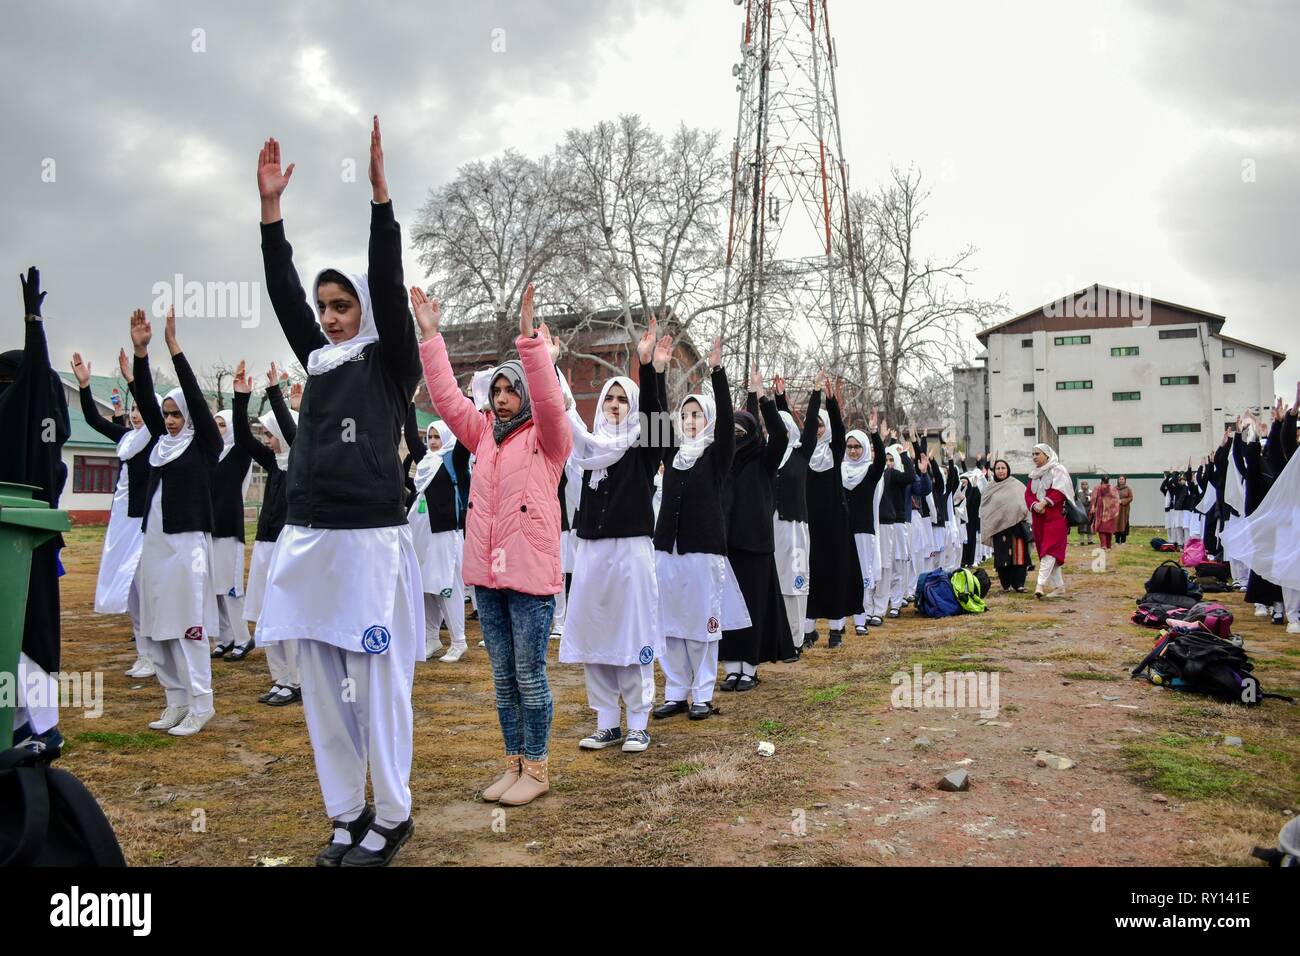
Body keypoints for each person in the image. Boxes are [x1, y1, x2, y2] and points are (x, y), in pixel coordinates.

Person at [254, 121, 424, 866]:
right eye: (324, 307)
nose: (327, 316)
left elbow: (387, 280)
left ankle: (392, 813)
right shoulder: (318, 359)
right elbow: (283, 292)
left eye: (341, 305)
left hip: (370, 544)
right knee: (322, 686)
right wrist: (270, 216)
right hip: (309, 535)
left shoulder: (391, 363)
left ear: (363, 311)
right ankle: (345, 812)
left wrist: (381, 200)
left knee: (375, 683)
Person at [416, 282, 572, 805]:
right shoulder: (481, 432)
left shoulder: (549, 438)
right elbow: (444, 398)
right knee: (503, 680)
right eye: (498, 390)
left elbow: (550, 400)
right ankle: (514, 764)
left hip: (529, 576)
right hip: (486, 575)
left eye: (511, 390)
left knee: (530, 676)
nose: (502, 398)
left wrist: (530, 344)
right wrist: (431, 337)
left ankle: (539, 770)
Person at [561, 320, 670, 751]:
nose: (616, 404)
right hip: (591, 551)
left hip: (631, 553)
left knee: (631, 633)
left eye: (625, 398)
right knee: (596, 635)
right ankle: (607, 721)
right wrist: (546, 364)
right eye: (611, 397)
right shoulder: (586, 447)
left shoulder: (643, 449)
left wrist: (649, 368)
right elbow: (562, 411)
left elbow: (659, 420)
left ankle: (638, 722)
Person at [129, 306, 222, 737]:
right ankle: (175, 701)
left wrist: (174, 349)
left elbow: (198, 403)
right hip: (155, 544)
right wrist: (141, 352)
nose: (168, 420)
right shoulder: (160, 445)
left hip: (187, 546)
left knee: (188, 627)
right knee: (157, 629)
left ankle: (201, 704)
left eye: (175, 414)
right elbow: (145, 400)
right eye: (165, 415)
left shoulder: (203, 444)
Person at [651, 337, 749, 720]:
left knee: (702, 628)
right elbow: (654, 417)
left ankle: (702, 694)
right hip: (668, 552)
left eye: (697, 416)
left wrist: (717, 372)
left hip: (705, 553)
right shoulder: (671, 455)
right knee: (672, 626)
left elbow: (727, 421)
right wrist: (657, 371)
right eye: (686, 416)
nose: (691, 422)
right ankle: (676, 691)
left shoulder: (716, 456)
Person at [1, 267, 70, 752]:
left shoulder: (35, 426)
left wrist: (34, 324)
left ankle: (42, 728)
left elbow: (31, 390)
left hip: (27, 543)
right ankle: (23, 724)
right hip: (15, 538)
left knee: (29, 637)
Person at [72, 348, 159, 678]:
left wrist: (133, 378)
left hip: (148, 524)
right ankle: (143, 653)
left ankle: (157, 654)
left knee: (148, 592)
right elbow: (94, 420)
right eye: (133, 410)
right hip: (125, 523)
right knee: (131, 591)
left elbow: (152, 411)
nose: (137, 415)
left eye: (141, 410)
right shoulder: (126, 439)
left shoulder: (158, 439)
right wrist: (83, 385)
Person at [232, 362, 300, 706]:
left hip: (289, 549)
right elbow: (243, 439)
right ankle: (280, 678)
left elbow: (291, 433)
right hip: (265, 545)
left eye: (270, 434)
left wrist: (276, 393)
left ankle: (297, 681)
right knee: (266, 616)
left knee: (287, 615)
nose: (267, 440)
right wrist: (240, 399)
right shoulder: (274, 463)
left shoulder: (301, 460)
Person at [719, 367, 792, 686]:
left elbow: (780, 435)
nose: (737, 436)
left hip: (757, 548)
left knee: (752, 609)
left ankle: (749, 668)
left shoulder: (764, 459)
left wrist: (764, 399)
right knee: (729, 610)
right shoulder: (722, 462)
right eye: (731, 432)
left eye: (742, 431)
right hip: (726, 547)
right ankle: (731, 667)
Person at [403, 408, 471, 663]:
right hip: (422, 534)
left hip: (446, 535)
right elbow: (410, 438)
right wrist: (409, 404)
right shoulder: (426, 462)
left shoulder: (454, 459)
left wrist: (468, 403)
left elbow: (466, 438)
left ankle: (459, 641)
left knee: (447, 588)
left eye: (436, 437)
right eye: (429, 437)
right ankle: (431, 639)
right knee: (425, 588)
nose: (432, 442)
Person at [802, 374, 864, 646]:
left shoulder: (834, 449)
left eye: (820, 426)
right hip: (810, 524)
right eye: (813, 425)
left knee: (836, 574)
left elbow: (839, 430)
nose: (816, 430)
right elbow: (803, 428)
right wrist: (813, 397)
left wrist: (830, 401)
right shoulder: (803, 451)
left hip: (836, 525)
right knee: (811, 575)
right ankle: (808, 630)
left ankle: (837, 630)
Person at [771, 377, 816, 649]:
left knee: (795, 584)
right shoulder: (768, 455)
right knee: (774, 582)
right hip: (771, 527)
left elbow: (810, 427)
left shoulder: (802, 454)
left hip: (795, 529)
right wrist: (776, 399)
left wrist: (816, 393)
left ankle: (796, 639)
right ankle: (778, 637)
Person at [208, 399, 254, 660]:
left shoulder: (239, 452)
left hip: (228, 526)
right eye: (216, 425)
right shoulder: (211, 453)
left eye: (223, 425)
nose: (219, 429)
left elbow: (244, 433)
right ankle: (223, 637)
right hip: (209, 527)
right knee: (213, 588)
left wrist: (239, 399)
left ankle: (243, 637)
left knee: (230, 587)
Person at [836, 412, 886, 632]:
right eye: (850, 447)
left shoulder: (870, 471)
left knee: (863, 575)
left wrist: (874, 433)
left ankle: (862, 617)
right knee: (842, 574)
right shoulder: (840, 472)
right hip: (843, 531)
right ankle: (840, 619)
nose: (854, 451)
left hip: (864, 531)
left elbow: (882, 460)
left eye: (857, 447)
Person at [873, 430, 917, 619]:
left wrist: (905, 455)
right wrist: (885, 441)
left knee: (898, 564)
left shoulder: (896, 475)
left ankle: (896, 603)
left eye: (892, 459)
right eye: (887, 459)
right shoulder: (878, 475)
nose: (889, 463)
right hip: (879, 524)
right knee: (882, 565)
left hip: (897, 525)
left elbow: (911, 477)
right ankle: (881, 600)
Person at [1026, 443, 1073, 598]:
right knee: (1044, 552)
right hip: (1038, 518)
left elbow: (1060, 491)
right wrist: (1035, 505)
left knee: (1049, 550)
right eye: (1033, 454)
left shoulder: (1058, 469)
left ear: (1047, 455)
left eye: (1037, 454)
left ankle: (1040, 585)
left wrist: (1044, 502)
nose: (1034, 457)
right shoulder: (1034, 474)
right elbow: (1028, 494)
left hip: (1055, 517)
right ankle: (1059, 587)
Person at [980, 459, 1031, 592]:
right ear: (994, 471)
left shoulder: (1017, 485)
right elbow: (986, 509)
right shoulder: (989, 488)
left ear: (1008, 469)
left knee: (1019, 555)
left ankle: (1019, 584)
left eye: (1003, 468)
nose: (1001, 471)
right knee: (1003, 557)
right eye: (998, 468)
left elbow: (1024, 502)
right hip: (998, 528)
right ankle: (1006, 584)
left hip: (1017, 527)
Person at [1091, 476, 1120, 550]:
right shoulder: (1113, 489)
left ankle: (1103, 545)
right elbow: (1117, 500)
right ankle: (1109, 545)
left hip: (1101, 510)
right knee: (1109, 528)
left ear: (1102, 480)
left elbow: (1093, 498)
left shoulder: (1097, 487)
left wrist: (1093, 507)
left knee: (1102, 528)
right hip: (1110, 512)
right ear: (1108, 481)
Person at [1115, 476, 1134, 544]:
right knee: (1116, 523)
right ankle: (1117, 540)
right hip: (1116, 509)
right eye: (1119, 479)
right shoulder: (1114, 488)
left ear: (1125, 480)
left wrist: (1122, 501)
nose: (1121, 480)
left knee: (1124, 522)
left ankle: (1123, 540)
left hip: (1124, 509)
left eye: (1122, 479)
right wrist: (1116, 501)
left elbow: (1131, 497)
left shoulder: (1128, 488)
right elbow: (1111, 497)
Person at [1076, 480, 1094, 546]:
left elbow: (1094, 500)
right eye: (1083, 484)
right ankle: (1082, 541)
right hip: (1081, 510)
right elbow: (1077, 501)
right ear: (1081, 485)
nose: (1084, 485)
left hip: (1089, 510)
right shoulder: (1079, 492)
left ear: (1088, 485)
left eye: (1086, 484)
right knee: (1081, 525)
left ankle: (1090, 540)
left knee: (1089, 524)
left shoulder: (1091, 492)